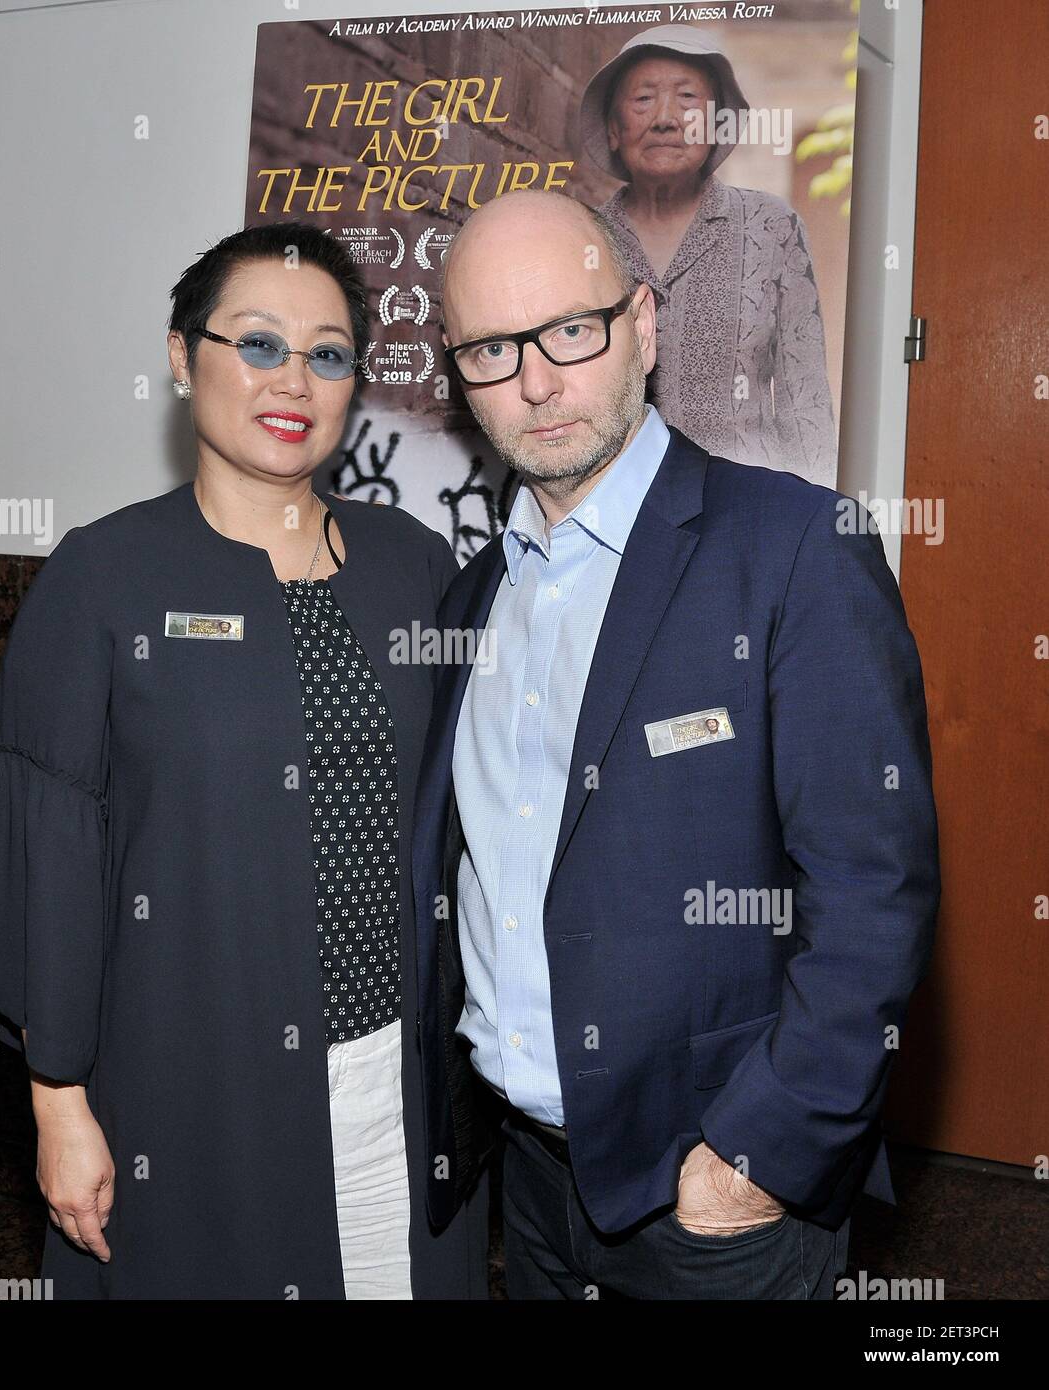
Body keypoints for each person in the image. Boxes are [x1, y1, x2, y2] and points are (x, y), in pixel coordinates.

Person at [0, 220, 489, 1299]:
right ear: (184, 357)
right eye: (258, 343)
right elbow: (47, 855)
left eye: (329, 353)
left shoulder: (415, 567)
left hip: (400, 1087)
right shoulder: (101, 578)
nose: (295, 380)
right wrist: (60, 1107)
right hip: (193, 1084)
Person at [413, 187, 940, 1299]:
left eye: (571, 328)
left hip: (716, 1198)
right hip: (535, 1185)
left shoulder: (794, 547)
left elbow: (873, 893)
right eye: (492, 349)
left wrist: (758, 1157)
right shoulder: (471, 599)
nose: (539, 380)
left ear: (644, 324)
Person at [579, 24, 839, 484]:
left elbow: (807, 406)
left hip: (751, 511)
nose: (665, 118)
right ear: (614, 129)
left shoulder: (771, 226)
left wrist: (816, 525)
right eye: (643, 99)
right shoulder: (585, 239)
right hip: (619, 513)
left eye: (687, 98)